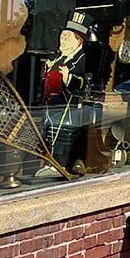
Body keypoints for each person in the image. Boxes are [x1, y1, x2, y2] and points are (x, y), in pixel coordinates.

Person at [39, 11, 93, 177]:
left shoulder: (79, 59)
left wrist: (67, 77)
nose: (62, 41)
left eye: (66, 38)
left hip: (67, 104)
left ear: (78, 41)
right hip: (53, 103)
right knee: (51, 132)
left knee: (62, 134)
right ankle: (50, 162)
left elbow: (81, 81)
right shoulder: (60, 57)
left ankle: (60, 164)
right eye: (62, 37)